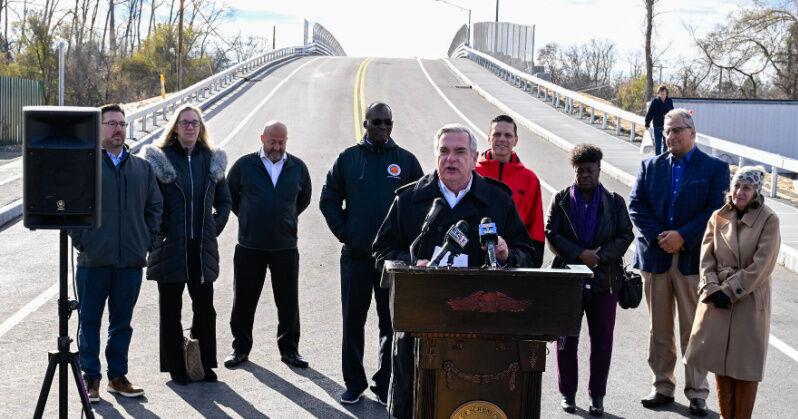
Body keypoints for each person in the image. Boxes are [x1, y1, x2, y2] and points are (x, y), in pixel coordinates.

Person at [373, 124, 536, 419]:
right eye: (444, 151)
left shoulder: (498, 200)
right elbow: (382, 250)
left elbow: (528, 253)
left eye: (460, 152)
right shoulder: (409, 200)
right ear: (436, 156)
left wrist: (506, 254)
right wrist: (410, 265)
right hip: (421, 323)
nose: (451, 159)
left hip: (480, 330)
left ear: (474, 158)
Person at [319, 102, 423, 404]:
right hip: (356, 258)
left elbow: (422, 205)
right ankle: (354, 383)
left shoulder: (406, 161)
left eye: (387, 122)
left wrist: (408, 246)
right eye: (376, 122)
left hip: (393, 262)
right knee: (353, 323)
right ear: (365, 124)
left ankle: (384, 382)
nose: (382, 127)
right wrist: (347, 233)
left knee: (391, 325)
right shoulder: (348, 159)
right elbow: (328, 199)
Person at [629, 108, 730, 416]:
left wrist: (682, 236)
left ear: (692, 133)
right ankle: (662, 385)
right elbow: (636, 205)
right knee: (658, 329)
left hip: (692, 260)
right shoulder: (650, 166)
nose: (671, 136)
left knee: (694, 329)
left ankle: (697, 392)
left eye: (676, 130)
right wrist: (662, 237)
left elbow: (717, 210)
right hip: (656, 257)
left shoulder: (714, 168)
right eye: (667, 131)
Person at [69, 104, 162, 402]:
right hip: (93, 261)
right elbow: (70, 208)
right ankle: (91, 378)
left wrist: (146, 241)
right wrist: (84, 241)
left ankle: (117, 377)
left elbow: (155, 207)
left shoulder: (142, 169)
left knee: (122, 323)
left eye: (121, 123)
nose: (118, 129)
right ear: (98, 128)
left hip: (130, 261)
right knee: (90, 322)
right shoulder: (85, 166)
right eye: (111, 123)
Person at [142, 104, 232, 385]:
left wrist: (212, 228)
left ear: (201, 127)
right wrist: (158, 234)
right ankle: (176, 367)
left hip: (201, 248)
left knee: (205, 309)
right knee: (170, 309)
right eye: (185, 123)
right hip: (170, 246)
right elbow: (149, 203)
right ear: (176, 127)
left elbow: (225, 202)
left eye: (195, 122)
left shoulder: (212, 160)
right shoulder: (162, 160)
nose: (190, 127)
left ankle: (202, 364)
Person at [545, 144, 634, 416]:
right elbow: (551, 232)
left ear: (599, 170)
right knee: (566, 339)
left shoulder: (614, 202)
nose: (584, 175)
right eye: (579, 170)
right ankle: (567, 393)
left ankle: (597, 396)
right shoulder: (560, 199)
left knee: (602, 341)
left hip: (605, 281)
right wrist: (579, 254)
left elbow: (626, 235)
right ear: (574, 170)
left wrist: (600, 257)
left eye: (589, 170)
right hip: (568, 280)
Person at [685, 166, 779, 419]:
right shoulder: (719, 215)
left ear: (756, 191)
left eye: (746, 187)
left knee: (745, 368)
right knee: (721, 364)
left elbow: (762, 264)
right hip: (717, 300)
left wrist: (730, 290)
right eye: (737, 185)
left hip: (748, 301)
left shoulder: (769, 220)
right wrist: (711, 287)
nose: (739, 192)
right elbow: (706, 257)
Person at [224, 121, 312, 369]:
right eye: (273, 142)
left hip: (285, 246)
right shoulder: (244, 165)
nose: (277, 147)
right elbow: (230, 197)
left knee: (288, 301)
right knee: (244, 300)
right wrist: (249, 218)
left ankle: (290, 350)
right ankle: (240, 349)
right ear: (262, 138)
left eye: (282, 142)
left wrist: (285, 219)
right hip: (250, 246)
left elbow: (303, 199)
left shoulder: (297, 167)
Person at [476, 114, 545, 267]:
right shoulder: (473, 173)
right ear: (488, 138)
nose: (502, 139)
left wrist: (534, 263)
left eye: (508, 135)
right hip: (474, 254)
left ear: (515, 140)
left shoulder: (529, 179)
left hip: (513, 258)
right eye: (497, 134)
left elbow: (536, 225)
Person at [644, 84, 674, 155]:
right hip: (657, 126)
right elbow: (650, 113)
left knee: (666, 144)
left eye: (664, 93)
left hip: (667, 127)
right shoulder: (655, 101)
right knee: (658, 144)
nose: (663, 94)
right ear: (658, 93)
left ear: (666, 93)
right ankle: (658, 159)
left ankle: (665, 159)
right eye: (661, 93)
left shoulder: (669, 101)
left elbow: (672, 112)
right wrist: (647, 123)